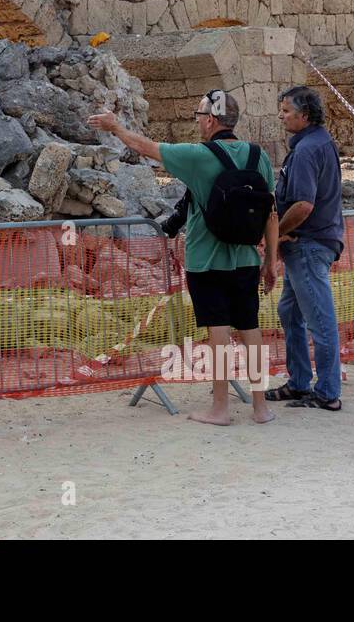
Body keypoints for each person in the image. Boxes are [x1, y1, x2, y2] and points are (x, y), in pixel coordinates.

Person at [88, 90, 279, 426]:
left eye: (199, 115)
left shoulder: (198, 156)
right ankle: (260, 407)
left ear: (210, 120)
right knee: (251, 330)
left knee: (218, 333)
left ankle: (220, 408)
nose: (198, 122)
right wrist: (270, 262)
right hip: (248, 259)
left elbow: (145, 147)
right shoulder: (258, 156)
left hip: (206, 261)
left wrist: (115, 126)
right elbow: (271, 215)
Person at [265, 86, 345, 412]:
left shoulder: (308, 151)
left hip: (308, 245)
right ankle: (299, 382)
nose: (281, 116)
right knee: (290, 312)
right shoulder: (317, 143)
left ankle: (327, 392)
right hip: (310, 244)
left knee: (320, 321)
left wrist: (277, 234)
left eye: (286, 110)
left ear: (305, 115)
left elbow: (303, 205)